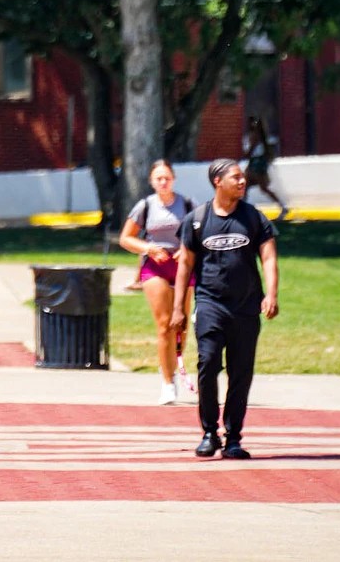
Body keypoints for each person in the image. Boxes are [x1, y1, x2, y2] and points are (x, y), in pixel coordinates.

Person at [172, 158, 280, 461]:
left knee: (240, 373)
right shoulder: (198, 219)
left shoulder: (254, 218)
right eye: (236, 178)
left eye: (242, 177)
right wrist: (179, 309)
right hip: (210, 304)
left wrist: (270, 294)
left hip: (246, 308)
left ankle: (233, 438)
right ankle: (209, 432)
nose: (243, 182)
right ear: (218, 181)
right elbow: (185, 265)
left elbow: (268, 258)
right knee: (207, 364)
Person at [118, 159, 195, 405]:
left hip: (182, 266)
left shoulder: (186, 204)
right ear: (152, 181)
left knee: (180, 325)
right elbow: (126, 239)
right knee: (164, 325)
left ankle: (178, 364)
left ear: (173, 179)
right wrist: (149, 248)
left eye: (167, 178)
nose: (163, 182)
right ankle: (167, 382)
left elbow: (199, 233)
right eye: (158, 178)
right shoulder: (146, 206)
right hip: (155, 268)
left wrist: (186, 250)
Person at [243, 116, 288, 220]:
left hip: (256, 164)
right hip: (257, 164)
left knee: (258, 187)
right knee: (247, 186)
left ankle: (283, 207)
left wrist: (245, 154)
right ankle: (242, 211)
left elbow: (250, 151)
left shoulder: (254, 136)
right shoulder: (261, 136)